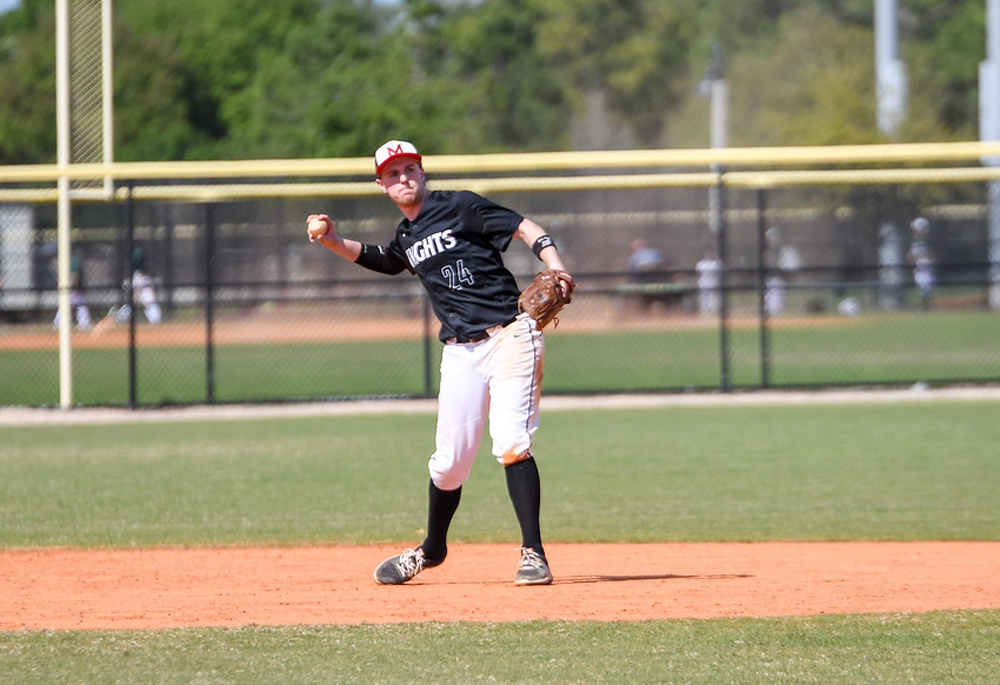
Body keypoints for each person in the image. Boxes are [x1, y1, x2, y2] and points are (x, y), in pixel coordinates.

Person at [306, 140, 573, 586]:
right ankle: (432, 550)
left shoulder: (461, 206)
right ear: (382, 185)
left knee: (510, 442)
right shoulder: (407, 235)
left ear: (422, 172)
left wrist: (555, 263)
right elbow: (388, 260)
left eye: (409, 169)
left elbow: (524, 227)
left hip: (510, 335)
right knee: (448, 464)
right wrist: (333, 241)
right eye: (392, 174)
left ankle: (533, 553)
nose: (402, 178)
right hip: (460, 351)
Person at [52, 253, 92, 330]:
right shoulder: (67, 261)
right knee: (77, 305)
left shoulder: (72, 260)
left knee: (73, 305)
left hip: (72, 288)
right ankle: (84, 323)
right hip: (70, 288)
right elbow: (74, 276)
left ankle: (58, 323)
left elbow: (75, 275)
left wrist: (73, 286)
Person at [908, 217, 935, 310]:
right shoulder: (916, 241)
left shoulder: (924, 240)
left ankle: (924, 306)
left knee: (926, 286)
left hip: (924, 263)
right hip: (919, 264)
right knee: (923, 286)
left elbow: (927, 254)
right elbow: (911, 253)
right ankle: (924, 306)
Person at [694, 248, 724, 315]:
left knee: (714, 296)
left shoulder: (715, 263)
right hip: (704, 282)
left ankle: (714, 310)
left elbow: (721, 269)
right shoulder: (701, 263)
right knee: (704, 297)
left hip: (713, 282)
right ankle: (705, 310)